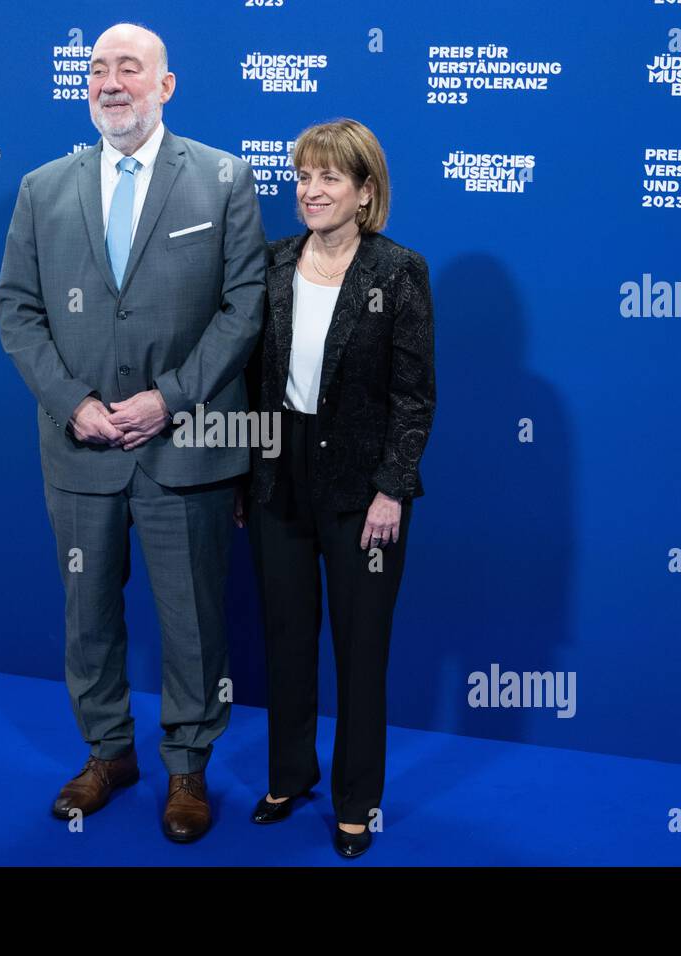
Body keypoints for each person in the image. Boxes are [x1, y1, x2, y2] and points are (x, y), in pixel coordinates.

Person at [0, 22, 266, 843]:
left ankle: (188, 767)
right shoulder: (42, 188)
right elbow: (18, 309)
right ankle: (108, 753)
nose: (112, 83)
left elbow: (244, 306)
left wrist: (170, 400)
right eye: (98, 70)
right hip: (80, 450)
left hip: (186, 448)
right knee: (87, 617)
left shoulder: (223, 179)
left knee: (192, 620)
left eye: (130, 69)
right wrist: (72, 401)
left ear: (166, 85)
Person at [239, 118, 436, 858]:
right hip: (278, 475)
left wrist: (393, 488)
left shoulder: (398, 271)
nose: (310, 191)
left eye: (328, 178)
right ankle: (289, 775)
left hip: (363, 491)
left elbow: (414, 397)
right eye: (302, 177)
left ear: (365, 192)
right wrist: (245, 477)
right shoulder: (271, 262)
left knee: (360, 650)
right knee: (287, 640)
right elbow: (254, 384)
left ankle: (358, 801)